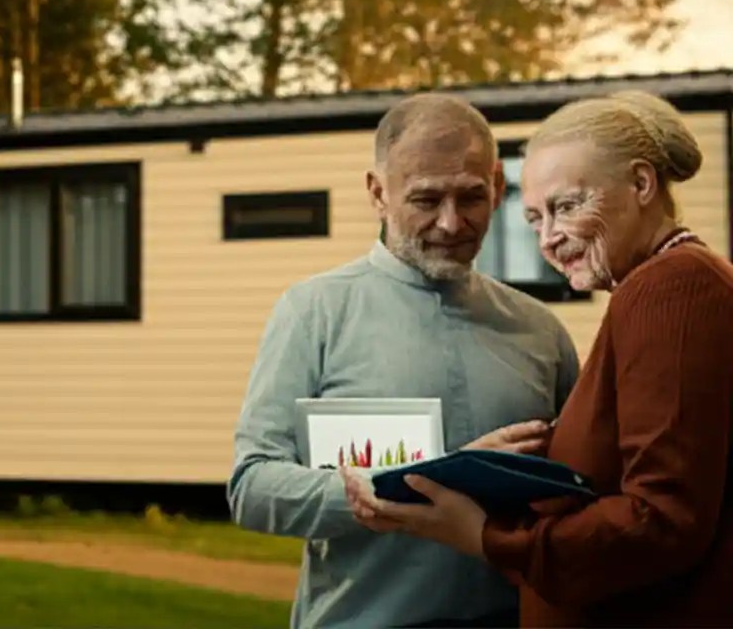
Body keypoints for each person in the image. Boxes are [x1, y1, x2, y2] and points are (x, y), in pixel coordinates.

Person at [342, 90, 733, 626]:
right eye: (532, 219)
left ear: (642, 184)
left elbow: (660, 519)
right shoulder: (668, 285)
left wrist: (485, 537)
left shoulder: (670, 287)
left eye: (568, 206)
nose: (549, 237)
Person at [228, 92, 581, 628]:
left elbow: (582, 484)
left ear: (498, 186)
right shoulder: (314, 312)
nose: (451, 222)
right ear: (377, 193)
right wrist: (433, 479)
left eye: (471, 197)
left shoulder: (541, 330)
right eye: (425, 199)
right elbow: (252, 489)